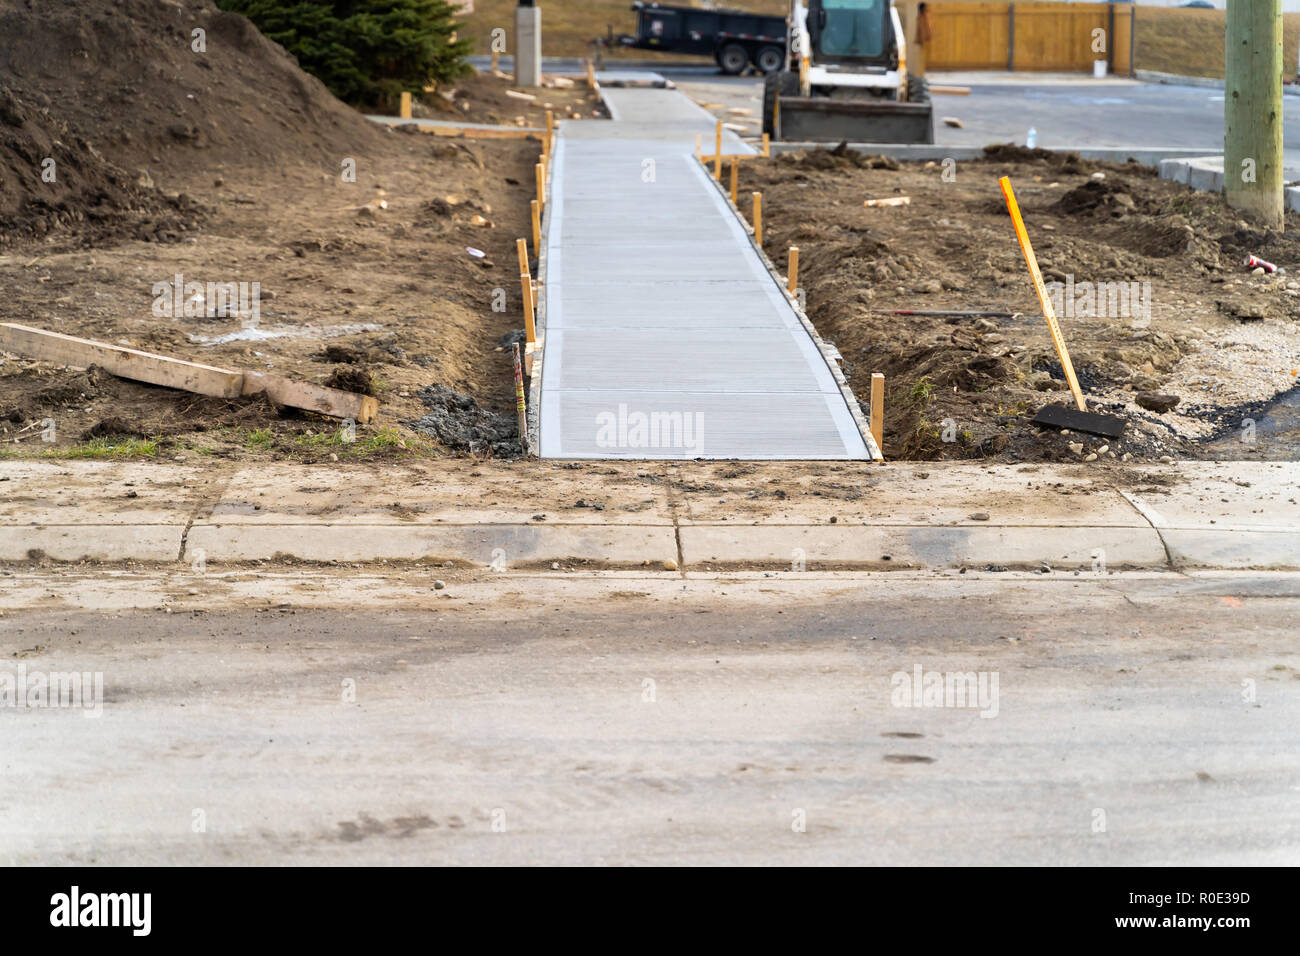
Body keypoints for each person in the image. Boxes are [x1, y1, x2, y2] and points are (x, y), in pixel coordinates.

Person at [914, 2, 933, 77]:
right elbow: (922, 29)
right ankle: (919, 74)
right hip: (920, 41)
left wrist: (928, 36)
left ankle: (920, 74)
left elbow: (927, 28)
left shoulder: (924, 16)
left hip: (923, 40)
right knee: (919, 59)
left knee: (921, 59)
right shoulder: (921, 17)